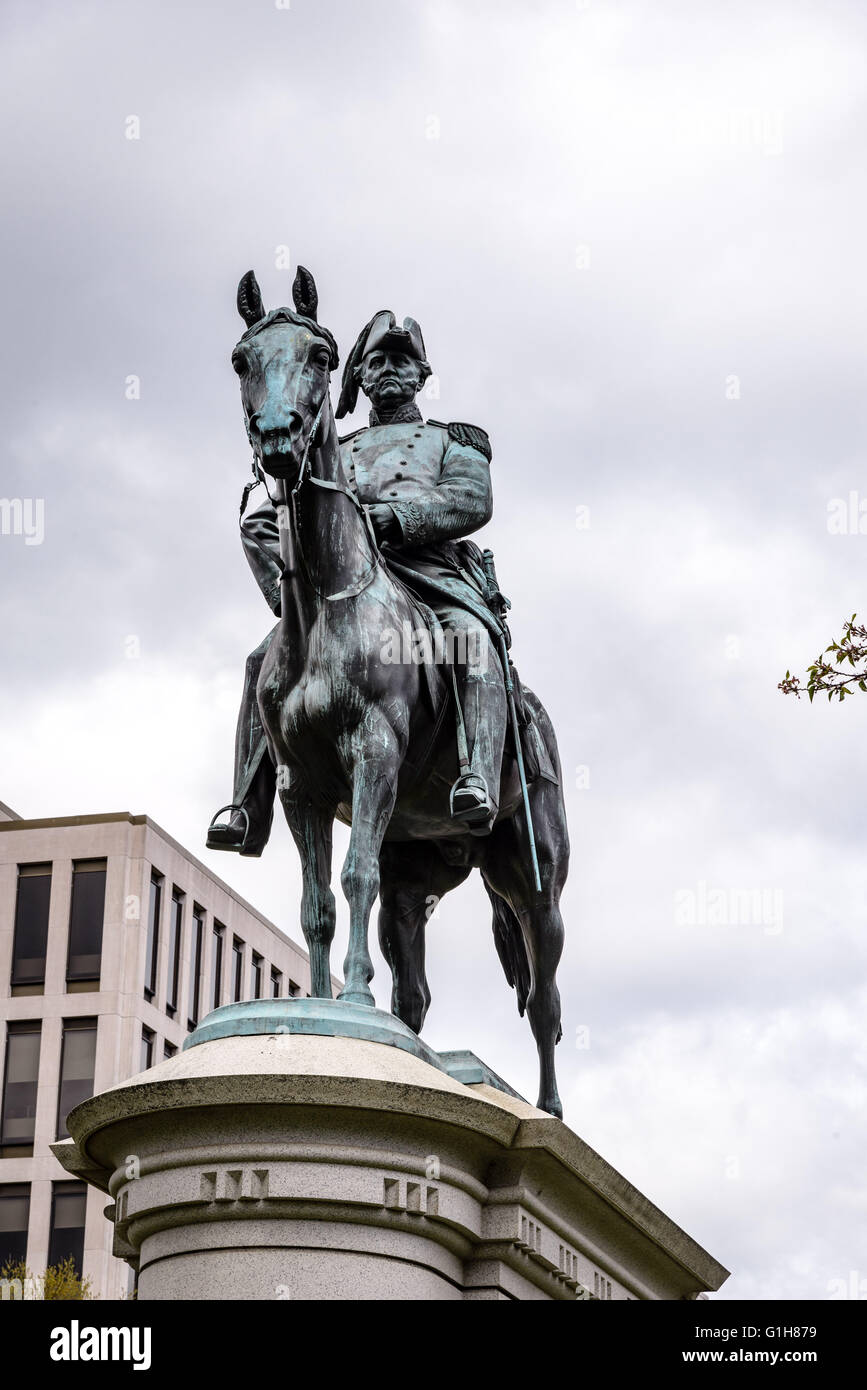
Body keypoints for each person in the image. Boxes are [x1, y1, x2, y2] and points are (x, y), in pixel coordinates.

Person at [207, 309, 506, 855]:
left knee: (472, 640)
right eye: (376, 361)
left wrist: (397, 519)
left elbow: (472, 500)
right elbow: (282, 516)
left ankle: (475, 775)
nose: (389, 369)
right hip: (338, 590)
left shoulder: (453, 440)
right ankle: (248, 805)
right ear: (360, 376)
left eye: (401, 360)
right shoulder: (333, 447)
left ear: (421, 373)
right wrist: (289, 594)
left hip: (431, 581)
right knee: (261, 661)